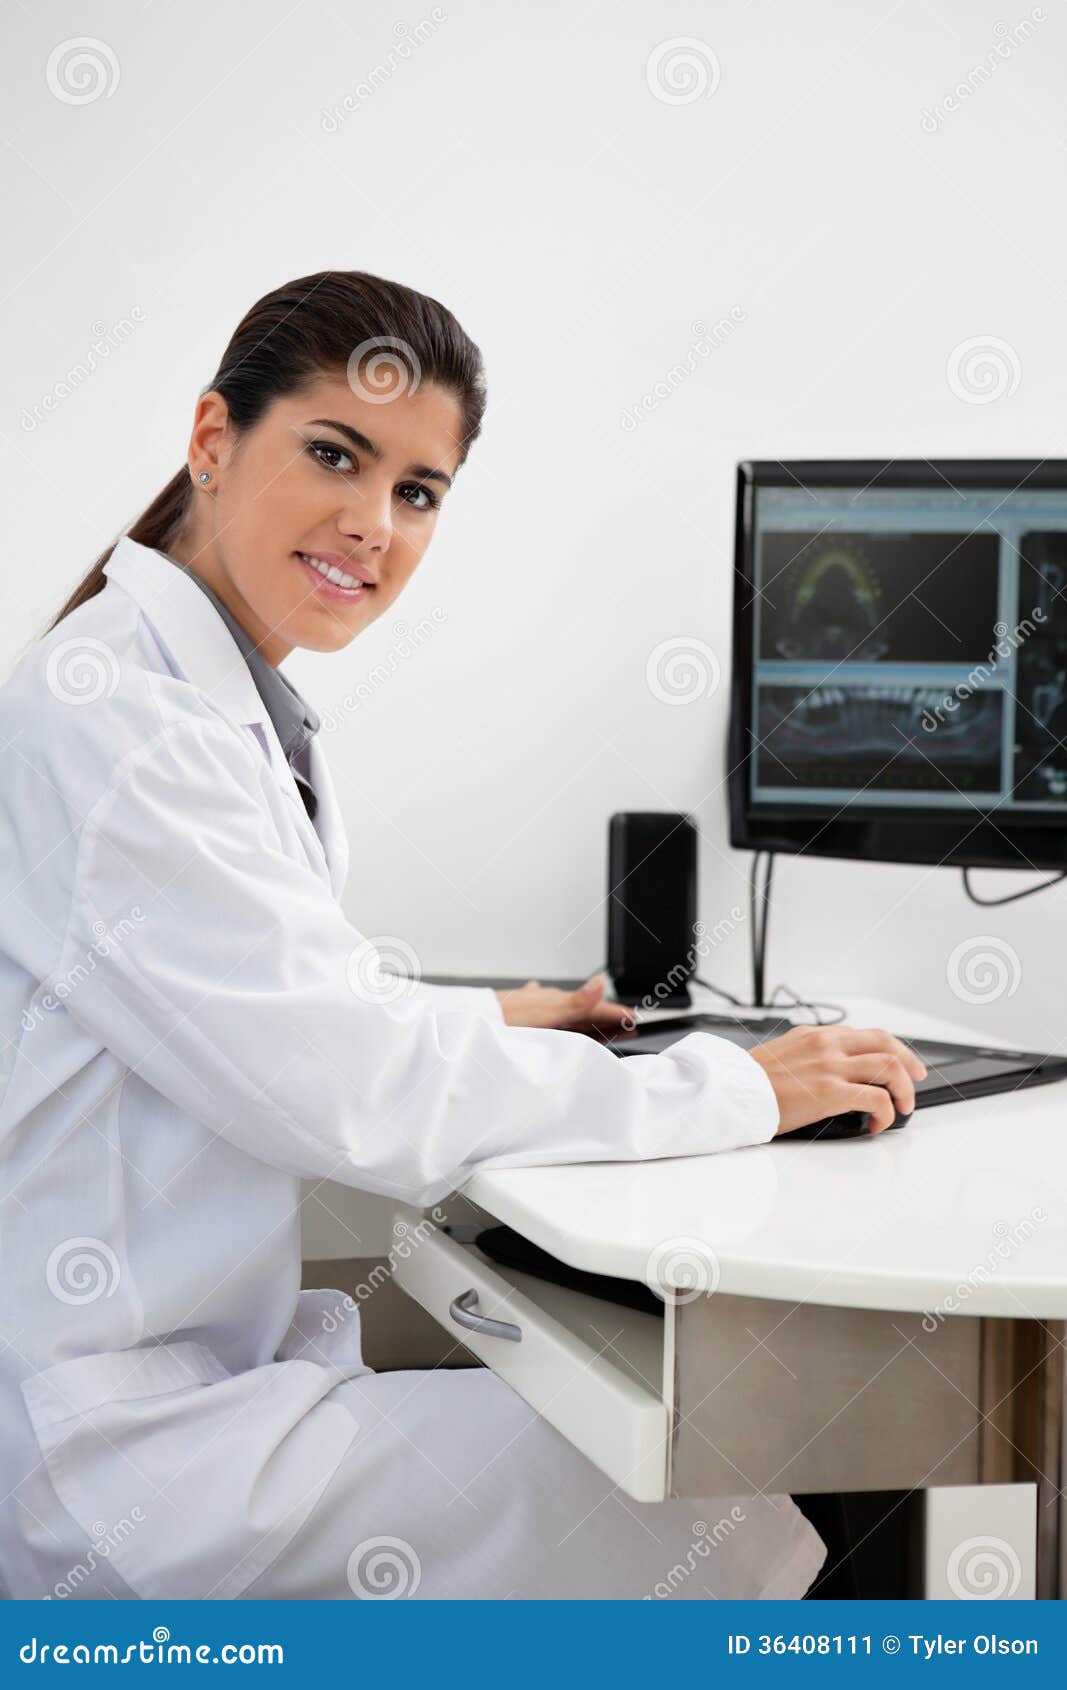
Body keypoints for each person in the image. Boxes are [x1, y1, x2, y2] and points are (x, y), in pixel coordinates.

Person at [0, 271, 924, 1601]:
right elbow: (343, 1087)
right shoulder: (119, 725)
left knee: (695, 1446)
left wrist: (489, 1021)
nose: (373, 523)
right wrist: (729, 1083)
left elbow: (277, 1011)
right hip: (127, 1469)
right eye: (335, 454)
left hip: (177, 1402)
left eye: (418, 491)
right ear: (213, 440)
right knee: (693, 1482)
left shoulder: (198, 700)